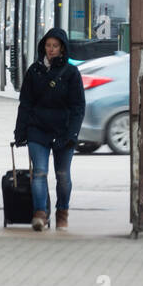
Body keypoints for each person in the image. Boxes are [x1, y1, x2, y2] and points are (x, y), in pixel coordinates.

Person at [13, 27, 86, 231]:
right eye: (48, 45)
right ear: (43, 47)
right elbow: (25, 103)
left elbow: (78, 107)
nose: (51, 49)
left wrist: (72, 133)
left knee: (63, 176)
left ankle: (62, 211)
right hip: (38, 129)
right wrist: (20, 132)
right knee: (39, 173)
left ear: (62, 48)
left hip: (63, 131)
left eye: (55, 46)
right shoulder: (34, 71)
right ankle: (40, 213)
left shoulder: (71, 73)